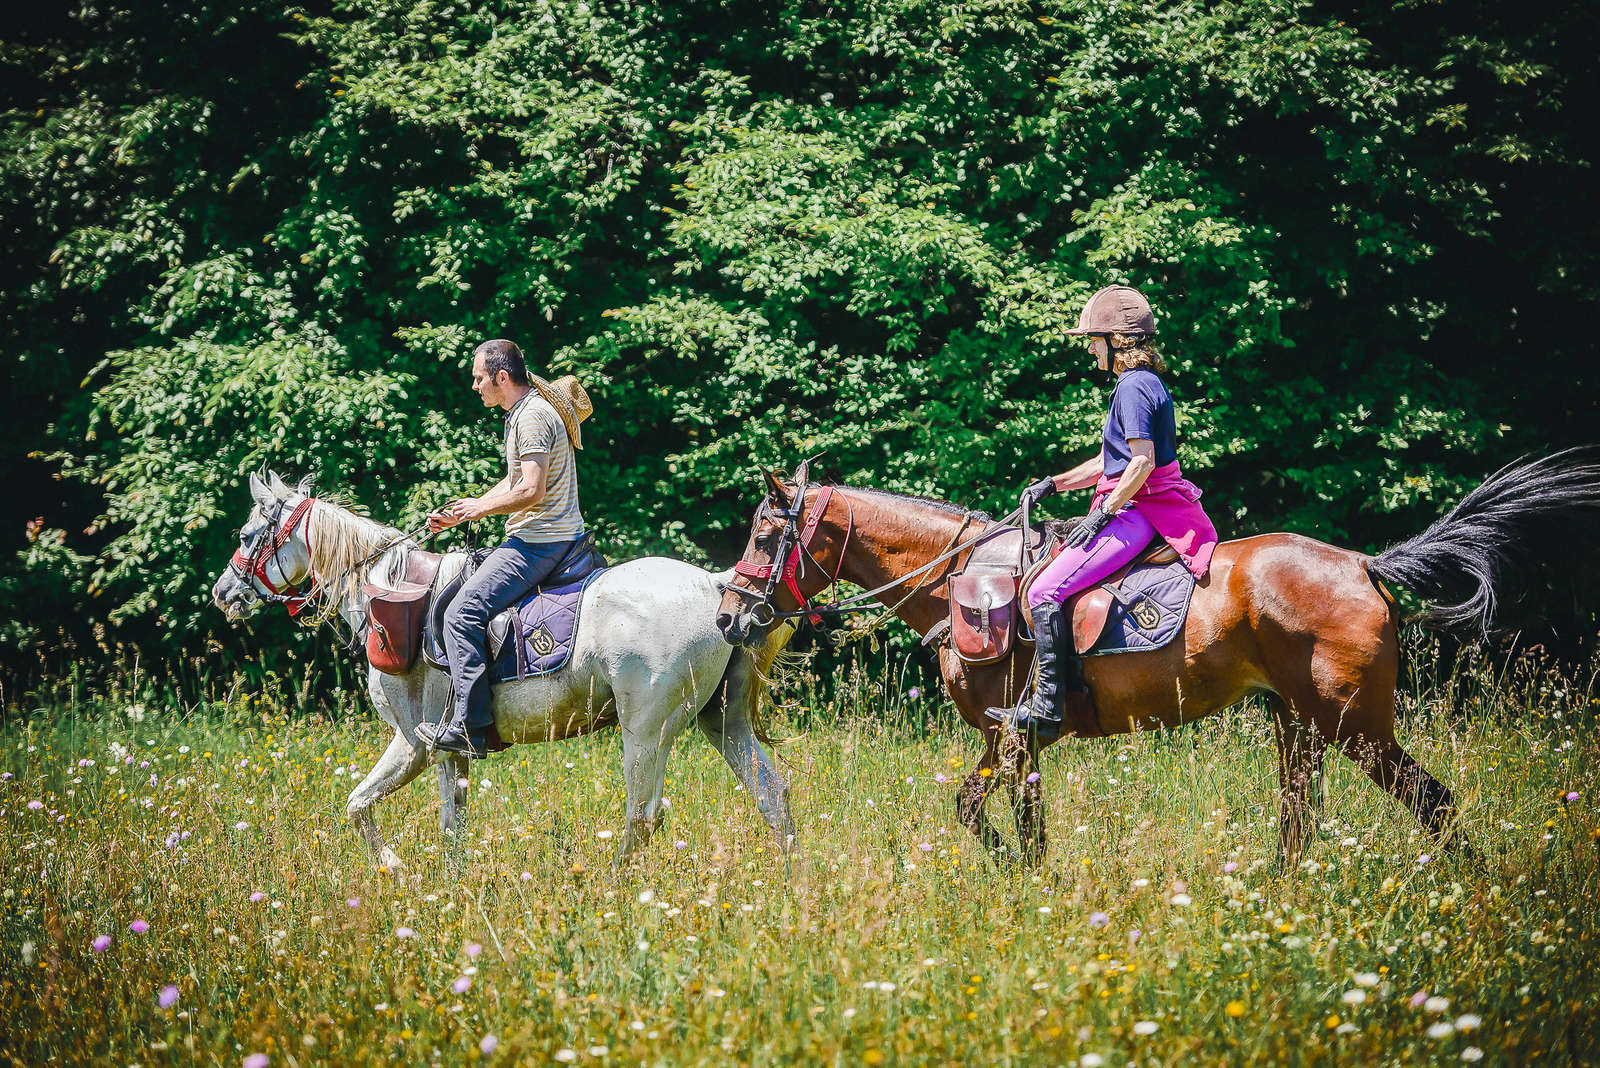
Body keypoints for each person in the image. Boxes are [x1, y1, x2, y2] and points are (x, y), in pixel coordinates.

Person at [987, 285, 1219, 744]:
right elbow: (1106, 462)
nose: (1090, 349)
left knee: (1043, 590)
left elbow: (1141, 462)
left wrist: (1103, 514)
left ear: (1117, 340)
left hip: (1136, 511)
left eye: (1094, 340)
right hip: (1134, 504)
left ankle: (1046, 709)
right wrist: (1053, 483)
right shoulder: (1141, 383)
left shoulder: (1133, 387)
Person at [416, 339, 593, 758]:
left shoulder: (531, 417)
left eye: (479, 378)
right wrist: (463, 511)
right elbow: (515, 480)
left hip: (539, 543)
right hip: (543, 537)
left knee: (460, 615)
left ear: (500, 377)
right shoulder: (522, 413)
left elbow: (531, 490)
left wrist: (480, 509)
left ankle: (470, 728)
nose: (474, 386)